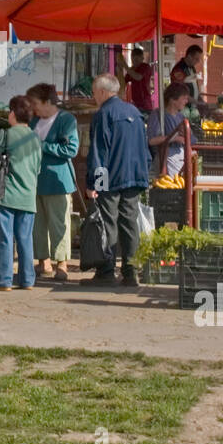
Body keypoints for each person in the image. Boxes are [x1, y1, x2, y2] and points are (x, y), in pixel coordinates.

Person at [83, 73, 151, 287]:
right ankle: (131, 271)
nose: (94, 97)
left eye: (94, 93)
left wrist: (95, 185)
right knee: (129, 222)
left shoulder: (104, 114)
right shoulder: (134, 112)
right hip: (134, 177)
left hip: (111, 179)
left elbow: (99, 152)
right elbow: (145, 149)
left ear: (103, 92)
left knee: (108, 221)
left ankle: (106, 270)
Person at [0, 95, 43, 291]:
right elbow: (38, 168)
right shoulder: (36, 138)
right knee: (25, 239)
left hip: (6, 195)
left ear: (14, 114)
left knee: (4, 238)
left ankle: (4, 280)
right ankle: (27, 280)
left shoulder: (5, 134)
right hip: (28, 197)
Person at [25, 83, 79, 282]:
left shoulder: (66, 120)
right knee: (37, 224)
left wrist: (42, 146)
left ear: (48, 102)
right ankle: (43, 261)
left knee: (59, 223)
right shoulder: (34, 121)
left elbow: (71, 149)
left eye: (36, 103)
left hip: (58, 181)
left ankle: (62, 263)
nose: (34, 108)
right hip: (34, 180)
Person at [146, 82, 193, 176]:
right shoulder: (157, 115)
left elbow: (191, 138)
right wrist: (174, 138)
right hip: (165, 159)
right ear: (173, 100)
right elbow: (151, 140)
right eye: (184, 98)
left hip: (181, 158)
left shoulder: (181, 117)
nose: (186, 101)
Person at [123, 46, 157, 113]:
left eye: (137, 60)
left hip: (145, 104)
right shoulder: (132, 69)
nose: (135, 62)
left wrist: (125, 67)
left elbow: (138, 77)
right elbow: (124, 81)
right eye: (133, 60)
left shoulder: (145, 67)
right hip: (135, 103)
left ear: (142, 58)